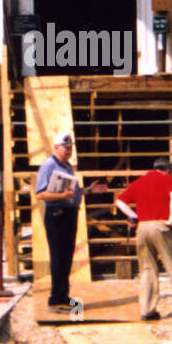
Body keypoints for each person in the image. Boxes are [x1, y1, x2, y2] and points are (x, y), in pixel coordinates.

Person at [115, 157, 172, 322]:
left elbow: (120, 201)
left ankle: (147, 310)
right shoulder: (167, 180)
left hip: (142, 228)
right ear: (168, 170)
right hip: (160, 226)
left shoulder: (138, 182)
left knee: (147, 269)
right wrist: (171, 219)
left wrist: (133, 216)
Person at [34, 131, 106, 310]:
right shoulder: (49, 166)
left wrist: (88, 190)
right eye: (65, 148)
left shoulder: (67, 167)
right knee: (58, 256)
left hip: (70, 213)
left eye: (70, 148)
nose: (68, 151)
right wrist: (62, 195)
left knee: (66, 257)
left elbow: (71, 192)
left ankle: (62, 295)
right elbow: (40, 193)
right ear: (56, 148)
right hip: (57, 214)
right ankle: (55, 298)